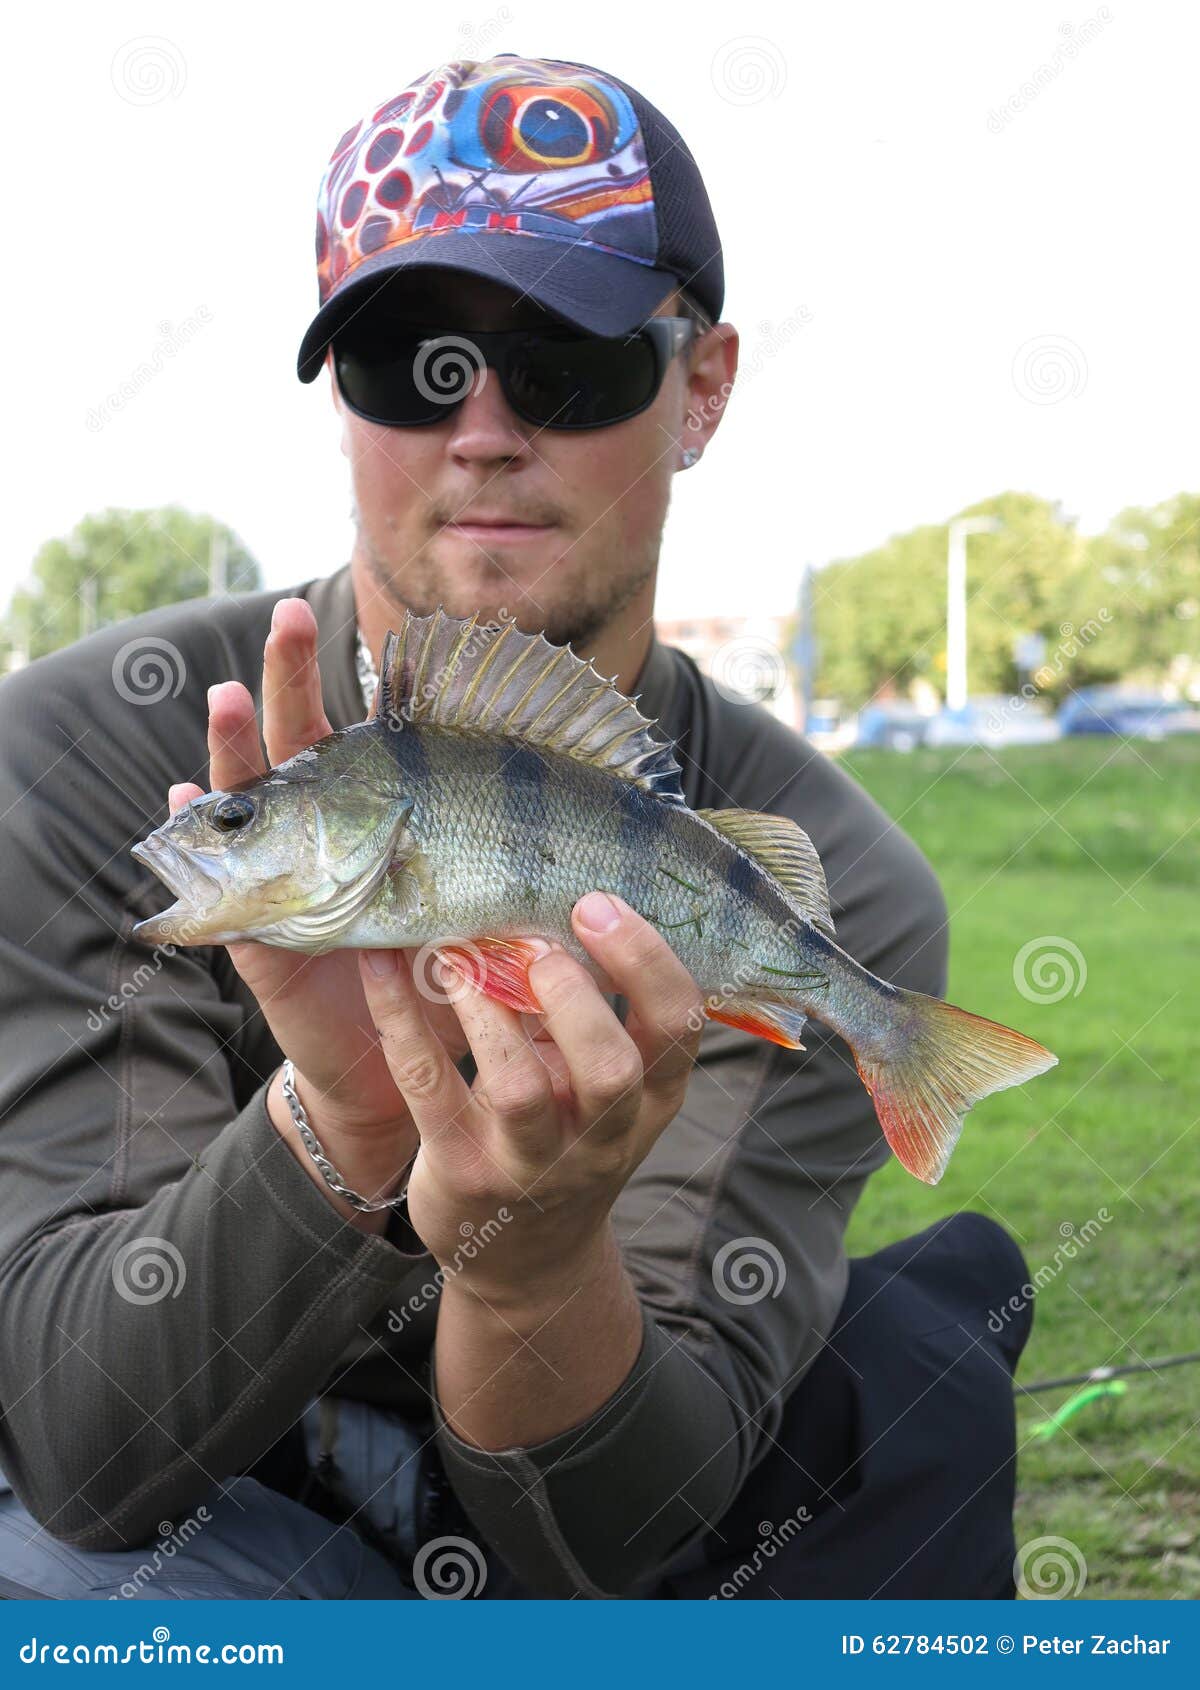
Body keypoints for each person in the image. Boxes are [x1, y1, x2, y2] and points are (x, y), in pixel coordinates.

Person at [0, 52, 1032, 1602]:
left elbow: (617, 1534)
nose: (481, 428)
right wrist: (345, 1122)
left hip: (568, 1541)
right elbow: (83, 1453)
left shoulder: (845, 883)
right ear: (339, 401)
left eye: (567, 358)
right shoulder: (72, 757)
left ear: (703, 386)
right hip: (206, 1522)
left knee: (906, 1367)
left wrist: (536, 1259)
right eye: (406, 360)